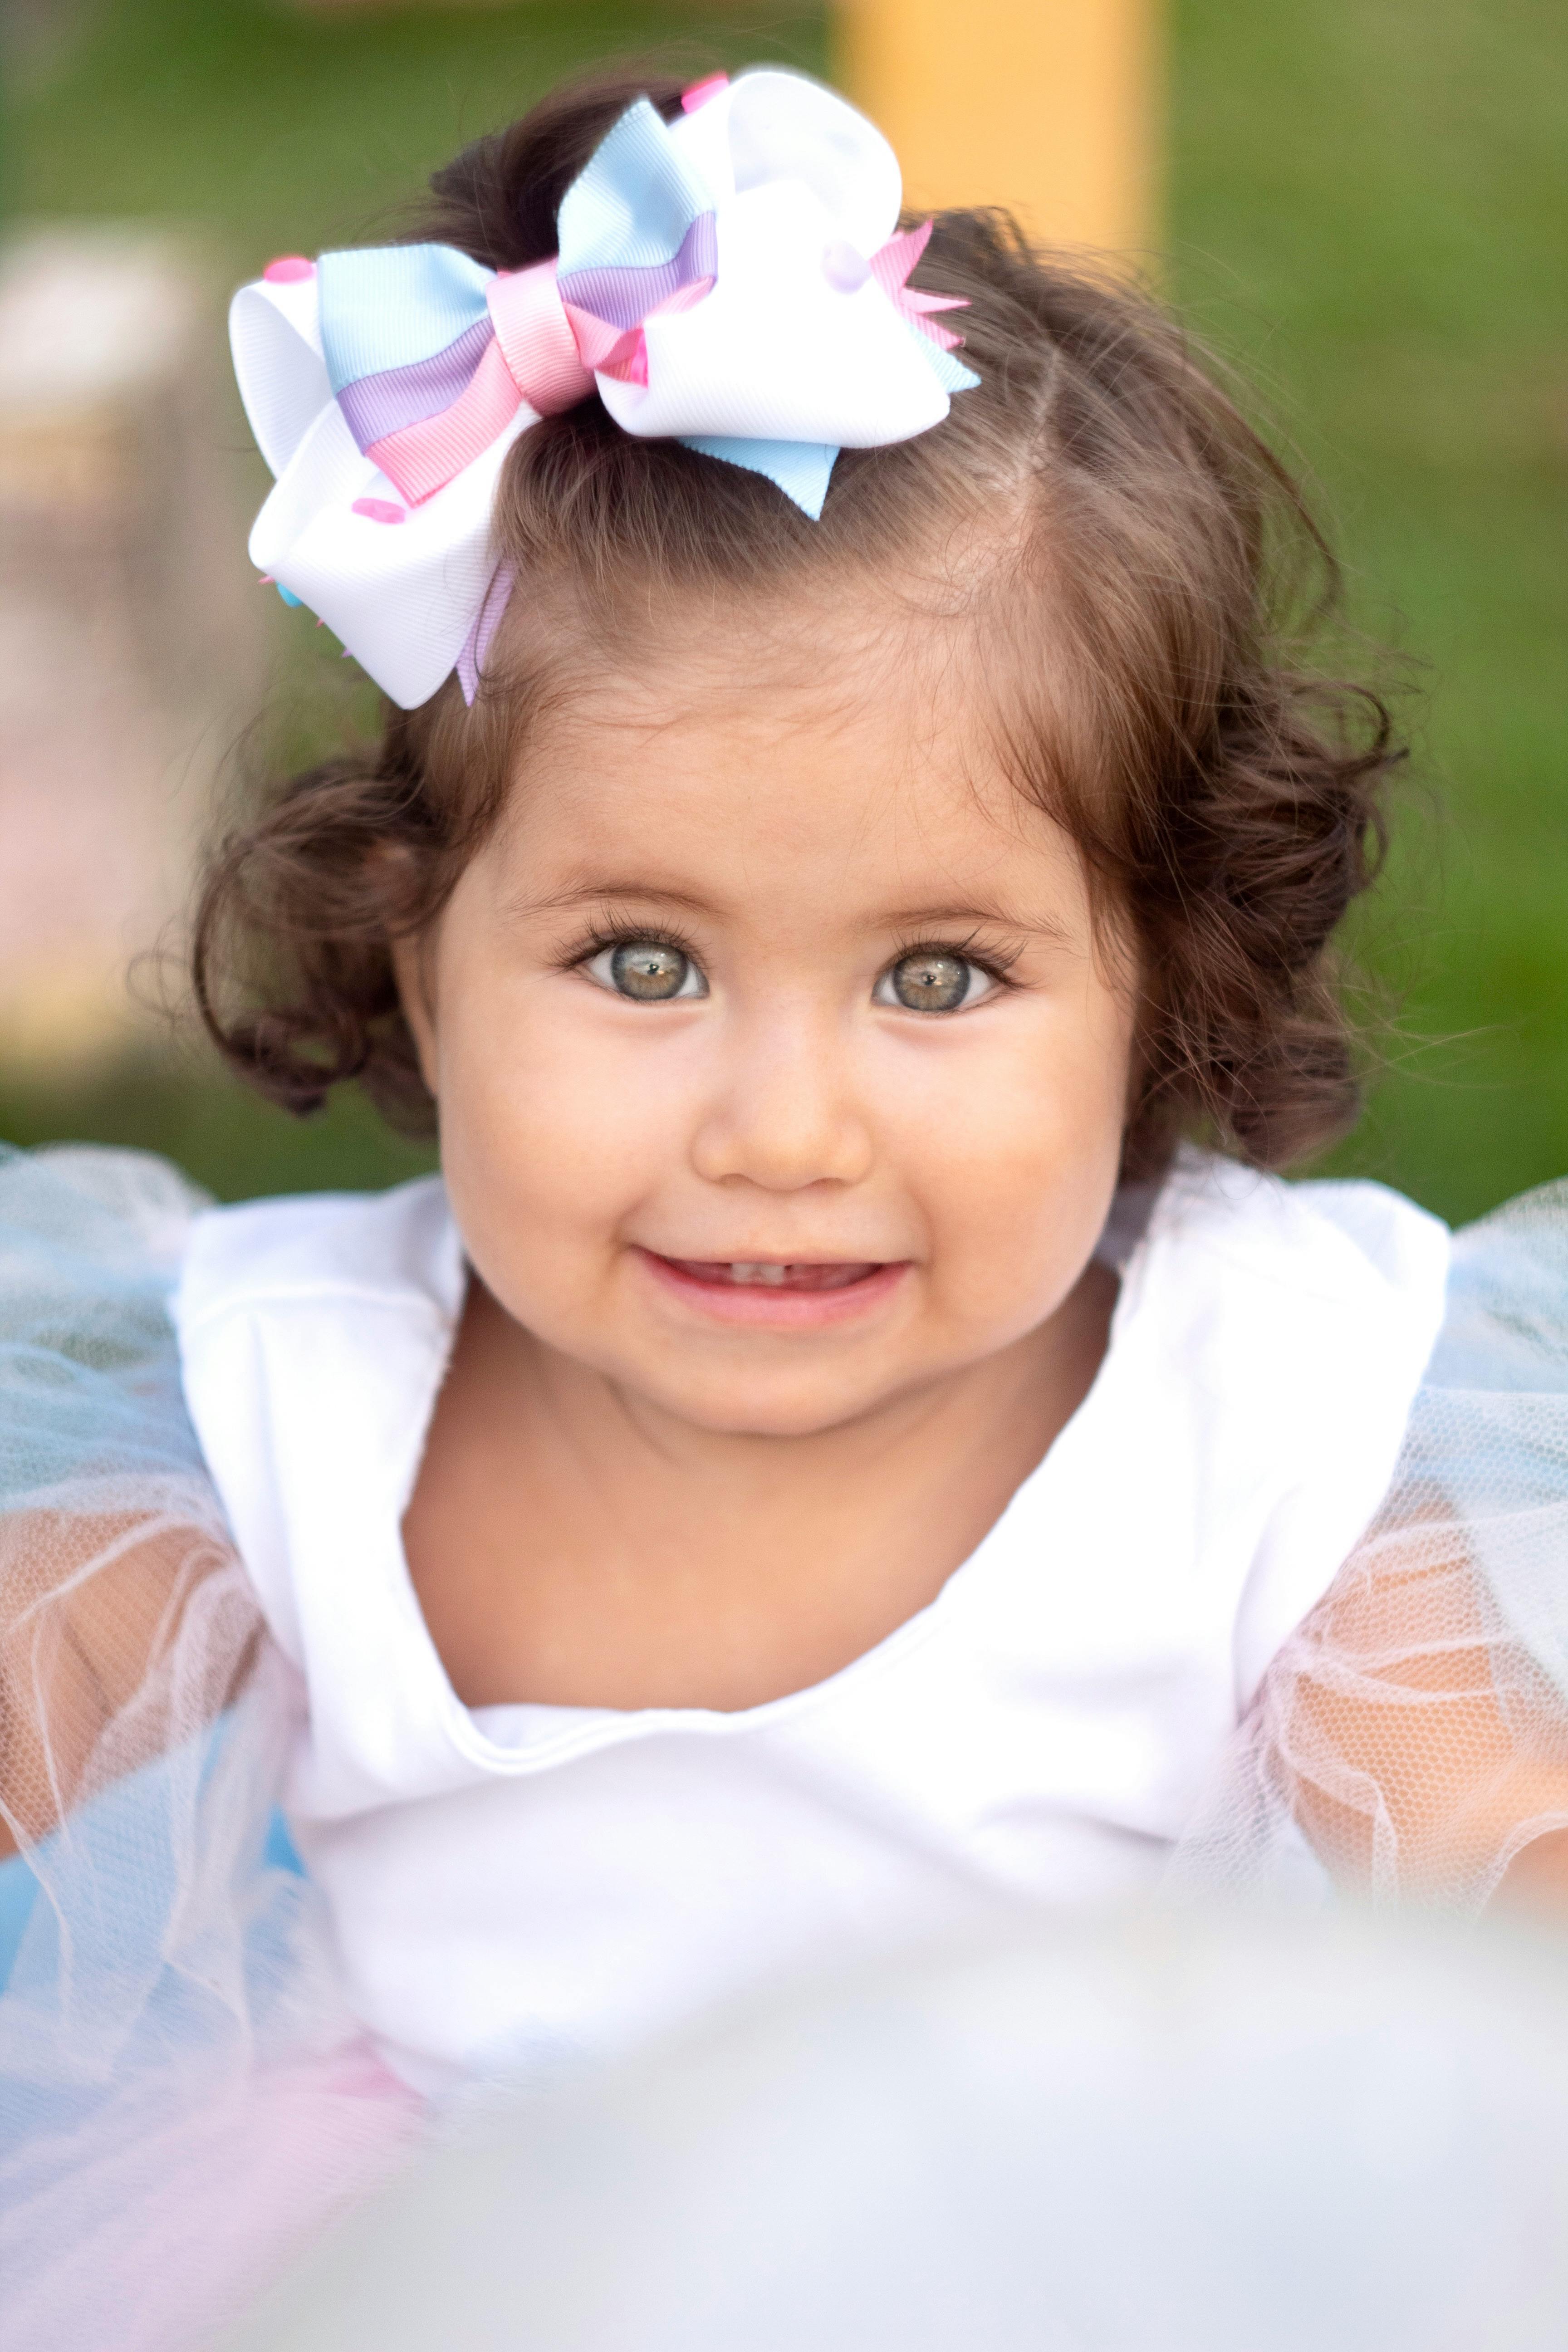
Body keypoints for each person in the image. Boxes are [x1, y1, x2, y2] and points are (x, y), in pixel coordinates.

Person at [1, 59, 1565, 2352]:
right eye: (643, 964)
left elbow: (1495, 1915)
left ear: (1157, 986)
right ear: (420, 960)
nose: (784, 1128)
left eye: (939, 978)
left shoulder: (1271, 1416)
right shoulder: (275, 1421)